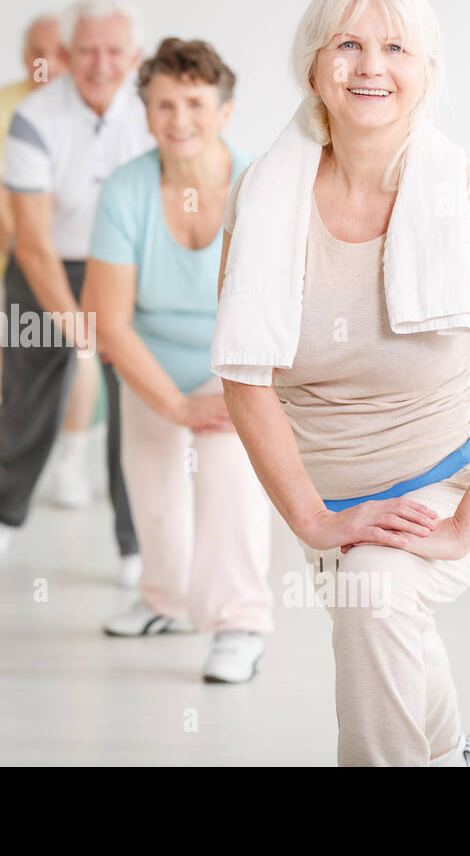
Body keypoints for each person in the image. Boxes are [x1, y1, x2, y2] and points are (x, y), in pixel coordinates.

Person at [212, 0, 470, 765]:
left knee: (375, 593)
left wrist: (465, 523)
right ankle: (449, 756)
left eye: (396, 46)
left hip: (450, 481)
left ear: (426, 71)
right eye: (349, 44)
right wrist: (310, 517)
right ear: (314, 64)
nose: (371, 65)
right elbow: (244, 377)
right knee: (383, 611)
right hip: (330, 501)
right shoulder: (262, 199)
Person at [83, 38, 274, 682]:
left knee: (224, 476)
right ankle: (165, 602)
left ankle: (241, 622)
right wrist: (171, 403)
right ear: (145, 113)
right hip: (150, 366)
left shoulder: (263, 185)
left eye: (195, 103)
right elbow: (106, 320)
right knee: (156, 491)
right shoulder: (126, 190)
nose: (179, 119)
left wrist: (229, 393)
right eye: (164, 104)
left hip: (238, 368)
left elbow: (289, 305)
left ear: (224, 110)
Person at [0, 0, 154, 588]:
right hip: (42, 265)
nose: (101, 63)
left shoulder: (153, 111)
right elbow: (31, 238)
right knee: (27, 398)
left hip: (126, 266)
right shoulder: (35, 115)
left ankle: (134, 541)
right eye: (88, 50)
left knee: (134, 400)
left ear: (136, 55)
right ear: (68, 54)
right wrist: (75, 325)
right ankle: (4, 510)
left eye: (114, 50)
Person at [0, 15, 100, 508]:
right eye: (40, 53)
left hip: (68, 266)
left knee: (76, 361)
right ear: (25, 58)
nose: (50, 63)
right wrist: (33, 267)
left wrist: (57, 276)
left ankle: (70, 463)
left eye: (61, 52)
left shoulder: (90, 113)